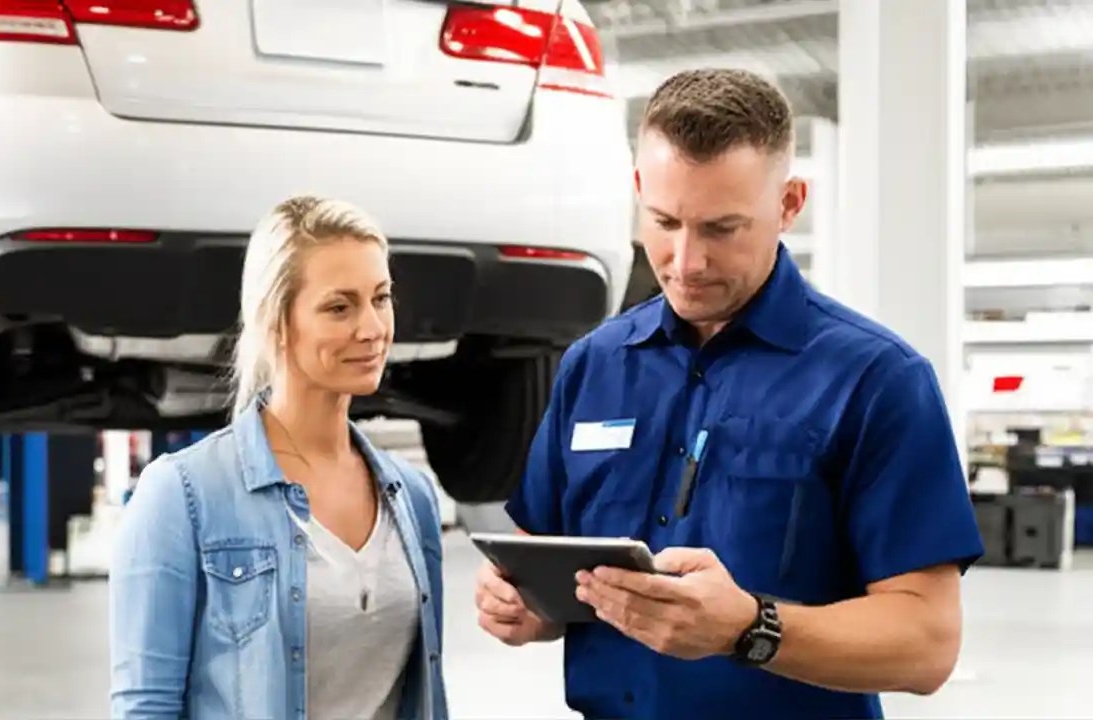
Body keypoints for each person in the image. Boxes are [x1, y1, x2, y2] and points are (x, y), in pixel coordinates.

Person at [475, 68, 985, 719]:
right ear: (637, 190)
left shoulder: (877, 381)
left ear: (789, 204)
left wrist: (748, 628)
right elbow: (544, 566)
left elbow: (926, 644)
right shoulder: (592, 366)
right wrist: (522, 605)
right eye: (664, 221)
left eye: (722, 228)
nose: (686, 262)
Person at [109, 196, 450, 720]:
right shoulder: (184, 495)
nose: (373, 327)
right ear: (276, 321)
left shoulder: (413, 499)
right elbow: (145, 705)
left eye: (381, 298)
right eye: (340, 306)